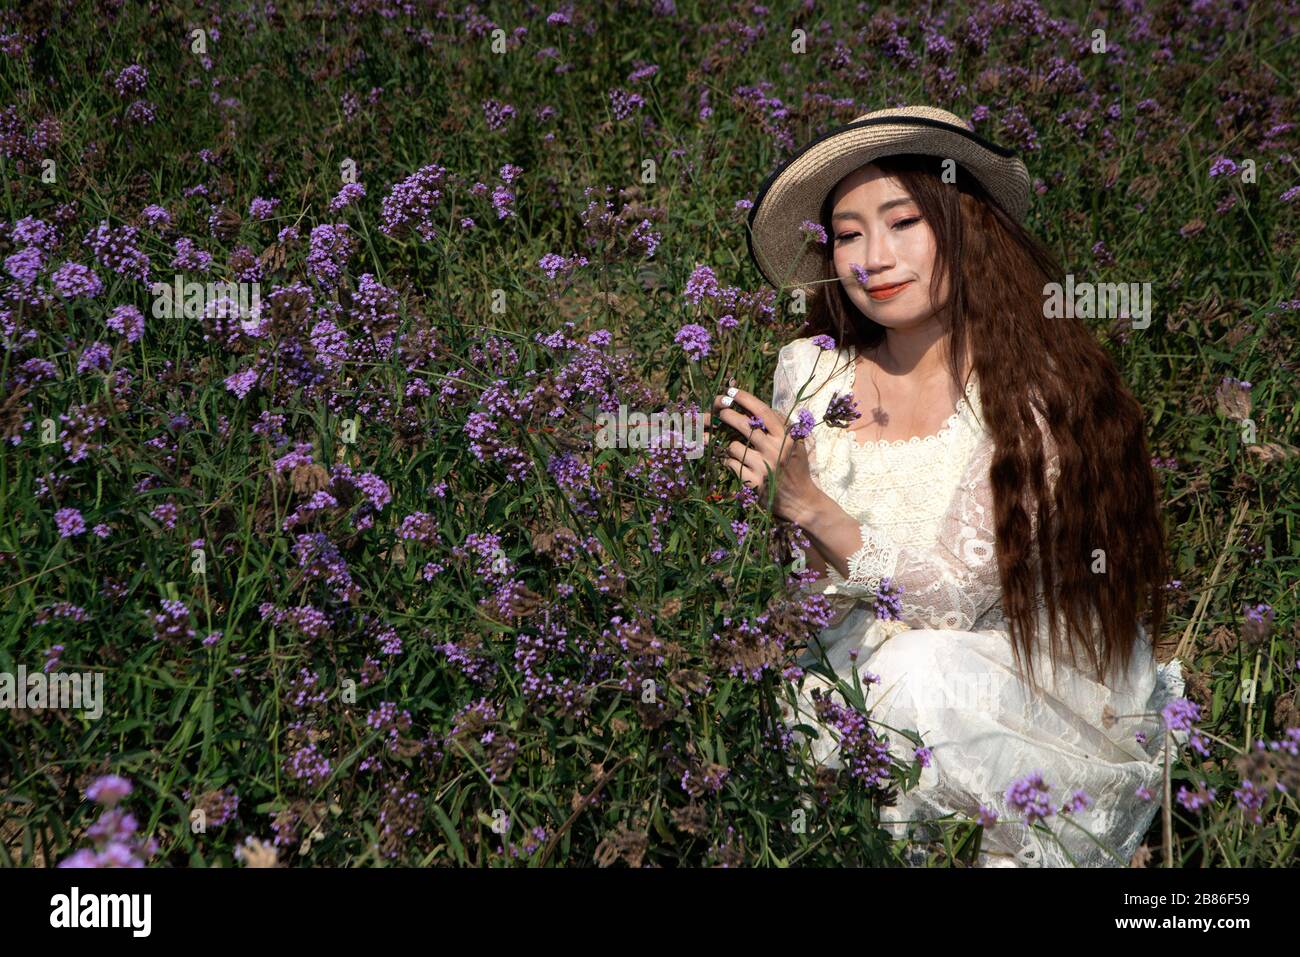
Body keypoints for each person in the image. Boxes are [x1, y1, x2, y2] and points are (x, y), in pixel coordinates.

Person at [709, 105, 1188, 867]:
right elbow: (790, 588)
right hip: (841, 663)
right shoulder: (809, 369)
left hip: (1016, 685)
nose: (873, 257)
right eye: (848, 233)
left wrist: (808, 503)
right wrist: (775, 523)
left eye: (902, 222)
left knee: (912, 676)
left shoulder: (1030, 387)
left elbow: (949, 599)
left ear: (965, 224)